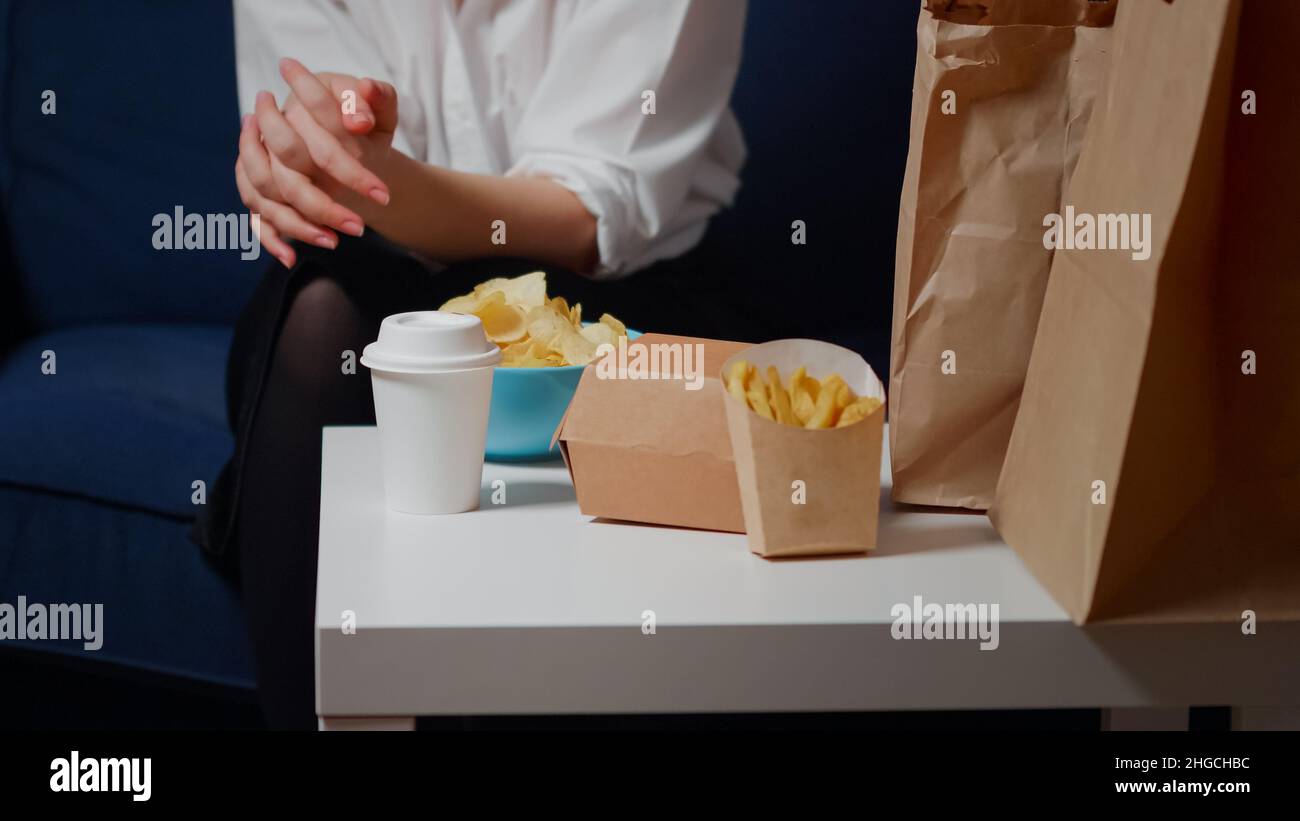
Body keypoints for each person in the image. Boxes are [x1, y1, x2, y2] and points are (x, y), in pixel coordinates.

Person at [193, 0, 747, 728]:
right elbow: (321, 171)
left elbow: (585, 217)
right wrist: (317, 145)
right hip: (373, 278)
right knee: (321, 323)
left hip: (612, 284)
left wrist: (374, 177)